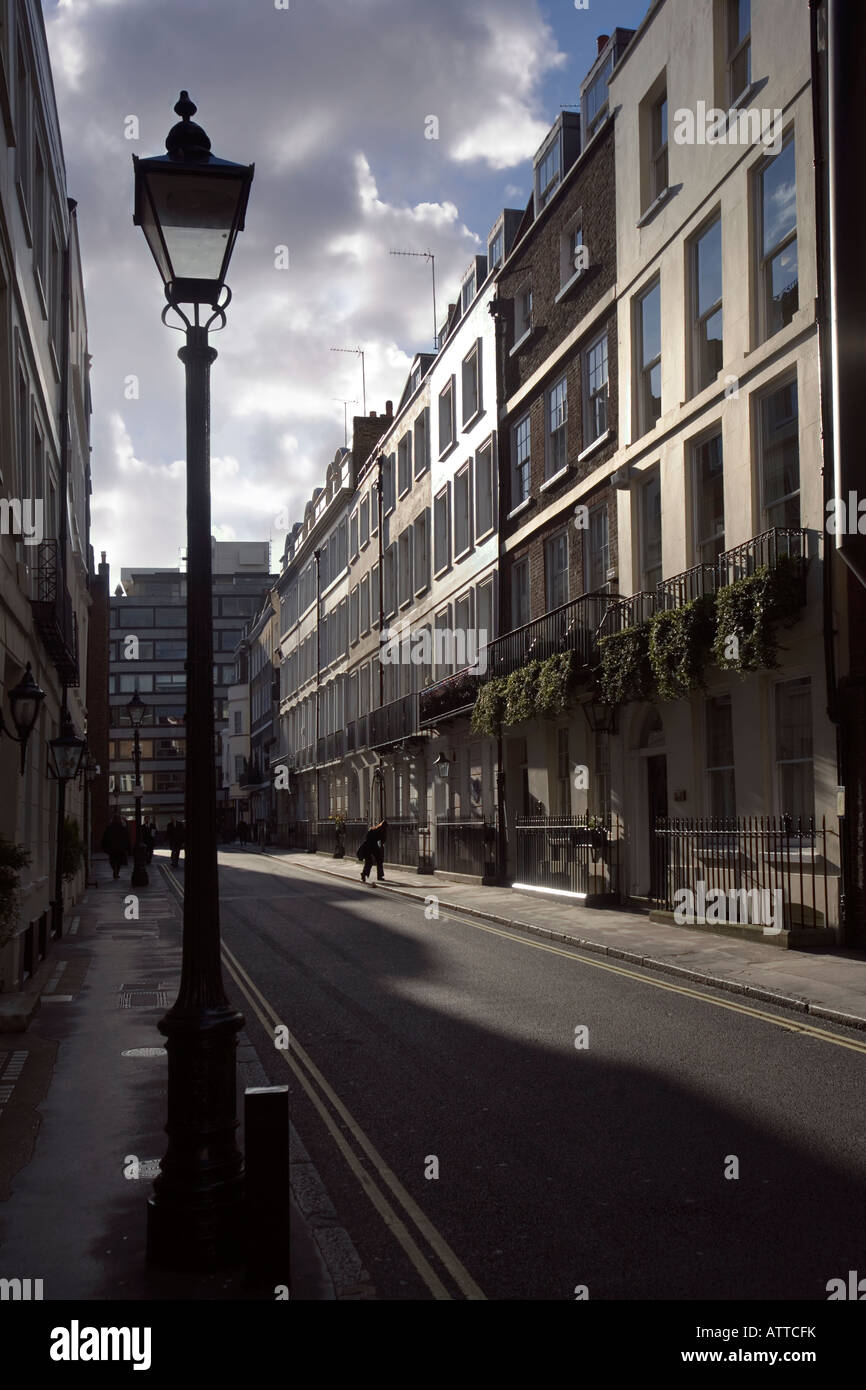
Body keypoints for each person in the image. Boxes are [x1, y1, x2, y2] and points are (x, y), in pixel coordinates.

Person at [101, 814, 131, 880]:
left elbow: (105, 838)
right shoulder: (123, 828)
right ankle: (116, 872)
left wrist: (104, 846)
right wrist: (128, 848)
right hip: (120, 848)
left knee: (112, 860)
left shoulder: (109, 828)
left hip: (112, 848)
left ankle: (115, 870)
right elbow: (127, 838)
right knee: (119, 861)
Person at [357, 818, 387, 882]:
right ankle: (379, 876)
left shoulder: (372, 829)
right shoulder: (382, 831)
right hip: (373, 846)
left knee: (369, 862)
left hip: (367, 846)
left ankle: (364, 874)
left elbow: (367, 837)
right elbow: (383, 841)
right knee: (379, 860)